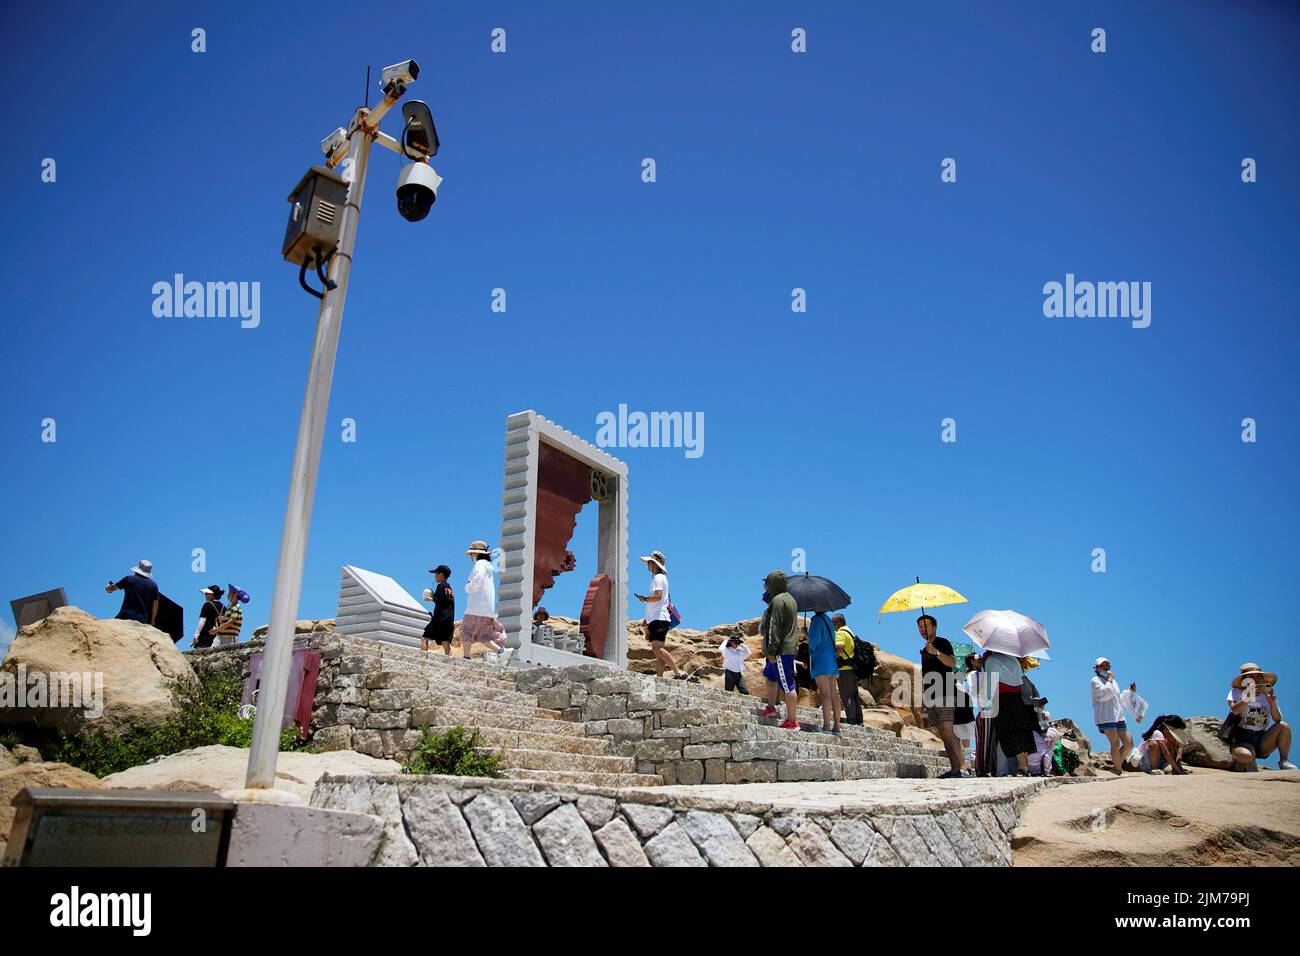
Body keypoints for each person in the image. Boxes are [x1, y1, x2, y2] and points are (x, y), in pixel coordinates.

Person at [918, 614, 965, 779]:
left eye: (926, 626)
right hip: (932, 694)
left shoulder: (942, 643)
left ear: (934, 627)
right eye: (920, 627)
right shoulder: (924, 649)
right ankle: (955, 768)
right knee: (942, 733)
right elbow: (925, 674)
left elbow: (952, 663)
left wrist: (936, 652)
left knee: (947, 731)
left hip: (945, 692)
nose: (923, 630)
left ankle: (960, 768)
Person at [1226, 663, 1295, 772]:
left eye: (1258, 676)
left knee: (1284, 727)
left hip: (1261, 739)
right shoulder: (1236, 692)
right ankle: (1243, 761)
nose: (1256, 679)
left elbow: (1277, 719)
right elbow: (1235, 710)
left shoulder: (1266, 694)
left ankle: (1284, 761)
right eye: (1252, 677)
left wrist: (1272, 703)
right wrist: (1247, 697)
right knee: (1246, 756)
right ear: (1245, 679)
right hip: (1241, 738)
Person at [979, 649, 1035, 776]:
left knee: (1011, 732)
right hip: (1017, 699)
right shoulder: (1013, 659)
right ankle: (1025, 767)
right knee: (1022, 731)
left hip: (1002, 699)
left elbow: (990, 682)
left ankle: (1021, 767)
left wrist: (986, 706)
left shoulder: (991, 660)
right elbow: (1020, 678)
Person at [759, 570, 800, 730]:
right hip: (786, 648)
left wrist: (771, 650)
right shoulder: (790, 599)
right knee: (770, 676)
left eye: (767, 582)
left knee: (787, 684)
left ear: (773, 584)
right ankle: (770, 708)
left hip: (780, 650)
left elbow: (773, 628)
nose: (765, 586)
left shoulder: (777, 601)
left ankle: (792, 721)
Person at [636, 550, 684, 680]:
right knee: (659, 653)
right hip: (658, 618)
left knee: (656, 649)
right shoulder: (662, 578)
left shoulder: (658, 578)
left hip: (659, 618)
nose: (648, 565)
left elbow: (657, 597)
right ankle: (660, 679)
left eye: (650, 562)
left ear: (655, 564)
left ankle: (678, 672)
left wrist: (644, 599)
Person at [462, 540, 511, 664]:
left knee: (467, 630)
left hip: (476, 605)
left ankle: (466, 658)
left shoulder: (480, 564)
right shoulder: (488, 566)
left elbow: (477, 580)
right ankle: (501, 651)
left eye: (472, 554)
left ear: (475, 554)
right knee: (483, 635)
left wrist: (468, 586)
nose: (471, 557)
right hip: (487, 608)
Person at [1091, 656, 1133, 775]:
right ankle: (1118, 769)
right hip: (1106, 716)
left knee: (1129, 744)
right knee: (1115, 743)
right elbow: (1104, 694)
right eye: (1102, 665)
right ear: (1097, 668)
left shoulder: (1113, 681)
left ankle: (1116, 764)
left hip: (1118, 715)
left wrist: (1129, 692)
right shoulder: (1095, 681)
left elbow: (1118, 697)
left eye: (1107, 665)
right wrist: (1109, 681)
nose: (1105, 667)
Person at [808, 610, 842, 735]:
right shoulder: (828, 619)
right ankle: (837, 727)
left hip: (821, 659)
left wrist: (806, 635)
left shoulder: (816, 620)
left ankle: (827, 726)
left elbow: (814, 642)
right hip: (831, 660)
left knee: (825, 694)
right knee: (834, 694)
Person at [105, 560, 159, 627]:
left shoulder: (129, 579)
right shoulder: (153, 585)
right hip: (142, 620)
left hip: (125, 616)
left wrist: (108, 588)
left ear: (137, 570)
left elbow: (111, 589)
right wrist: (152, 620)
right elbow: (155, 604)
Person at [832, 613, 864, 725]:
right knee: (854, 696)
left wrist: (832, 647)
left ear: (839, 622)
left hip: (844, 669)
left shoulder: (840, 633)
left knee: (846, 696)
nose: (833, 625)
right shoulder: (849, 631)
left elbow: (840, 648)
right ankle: (859, 720)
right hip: (853, 668)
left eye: (834, 623)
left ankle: (851, 720)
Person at [422, 564, 455, 654]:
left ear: (441, 575)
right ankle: (449, 662)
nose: (435, 576)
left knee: (424, 638)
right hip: (448, 620)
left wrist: (431, 598)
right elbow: (447, 602)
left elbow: (440, 600)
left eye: (436, 574)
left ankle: (423, 658)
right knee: (445, 643)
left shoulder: (441, 586)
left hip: (439, 619)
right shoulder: (449, 588)